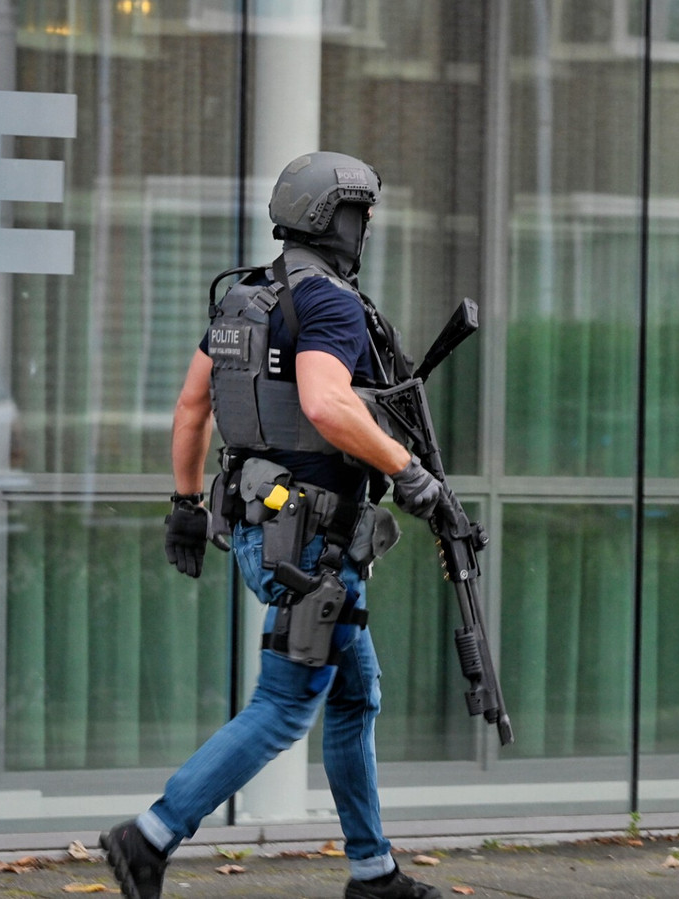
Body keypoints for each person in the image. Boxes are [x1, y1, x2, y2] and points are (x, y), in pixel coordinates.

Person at [99, 152, 450, 899]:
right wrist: (408, 471)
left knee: (355, 694)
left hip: (267, 529)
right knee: (287, 703)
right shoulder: (329, 303)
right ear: (334, 219)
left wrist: (187, 504)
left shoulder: (244, 300)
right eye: (361, 215)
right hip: (314, 543)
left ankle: (372, 871)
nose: (366, 230)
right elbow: (326, 403)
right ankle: (151, 835)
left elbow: (194, 405)